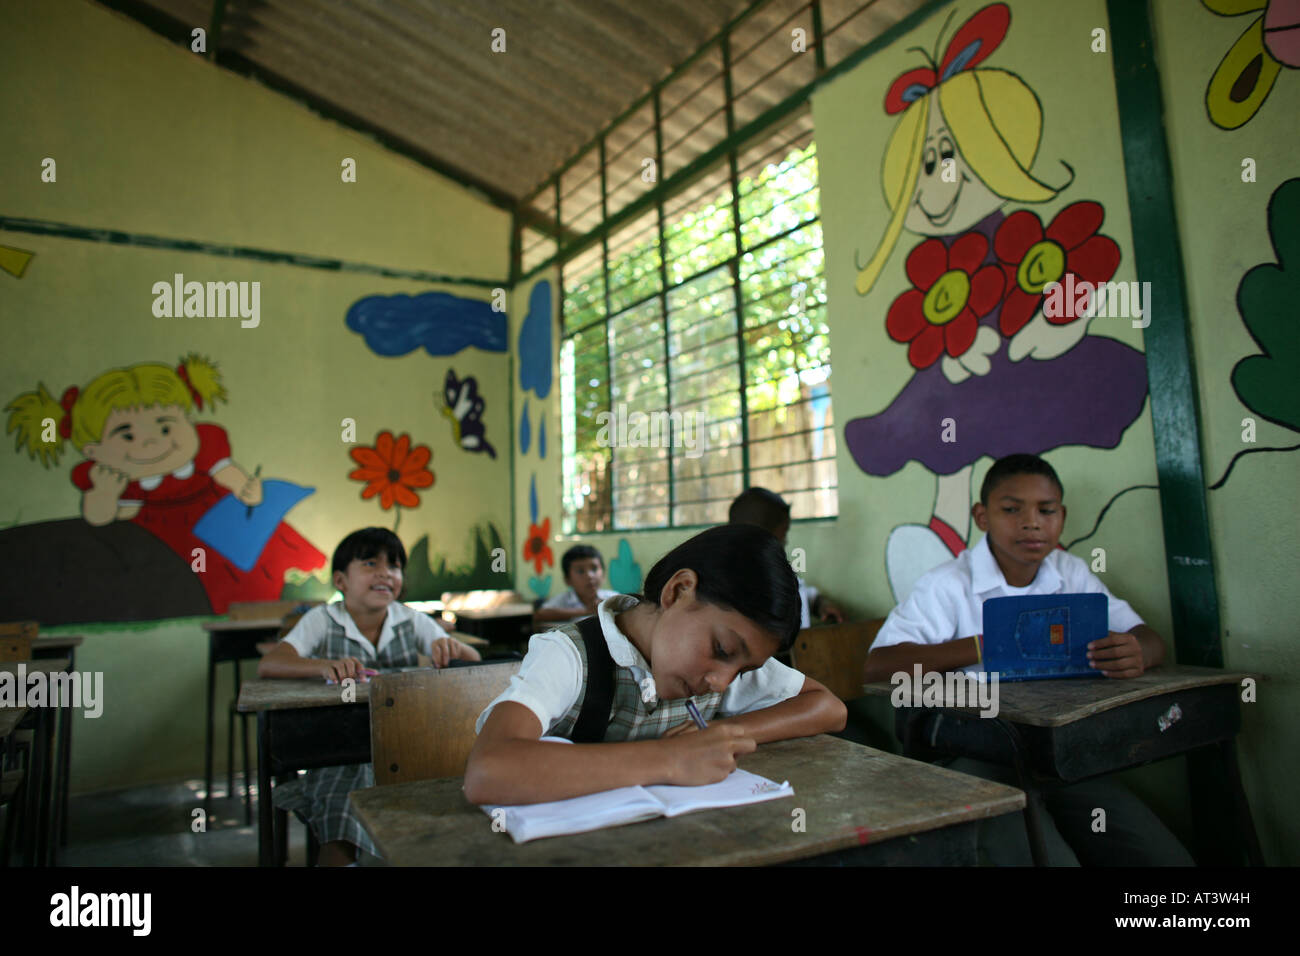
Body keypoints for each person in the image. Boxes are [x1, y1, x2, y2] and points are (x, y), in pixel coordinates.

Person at [865, 454, 1193, 865]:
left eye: (1046, 510)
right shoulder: (948, 584)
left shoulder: (1069, 574)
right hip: (974, 753)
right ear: (982, 517)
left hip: (1058, 753)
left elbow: (1148, 638)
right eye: (1011, 509)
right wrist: (987, 645)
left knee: (1158, 856)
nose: (1031, 522)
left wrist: (1138, 653)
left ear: (1062, 516)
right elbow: (877, 668)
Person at [465, 524, 847, 806]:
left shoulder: (725, 665)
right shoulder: (570, 654)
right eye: (722, 649)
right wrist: (669, 760)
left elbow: (828, 707)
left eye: (743, 672)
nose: (721, 683)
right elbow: (489, 770)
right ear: (678, 591)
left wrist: (725, 733)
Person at [5, 355, 326, 613]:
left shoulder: (208, 449)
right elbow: (101, 519)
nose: (151, 443)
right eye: (127, 435)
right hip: (170, 532)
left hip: (219, 515)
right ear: (94, 451)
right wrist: (104, 494)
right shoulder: (114, 480)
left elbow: (232, 478)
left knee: (267, 545)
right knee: (207, 569)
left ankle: (290, 588)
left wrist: (249, 491)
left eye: (165, 427)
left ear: (189, 423)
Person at [259, 527, 480, 865]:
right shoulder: (323, 620)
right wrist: (322, 666)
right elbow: (271, 663)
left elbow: (474, 662)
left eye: (393, 566)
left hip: (404, 745)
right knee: (345, 802)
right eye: (369, 563)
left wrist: (452, 648)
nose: (384, 573)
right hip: (337, 752)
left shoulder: (410, 619)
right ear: (340, 581)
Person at [728, 487, 844, 628]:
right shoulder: (733, 583)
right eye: (783, 534)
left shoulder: (774, 569)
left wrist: (820, 604)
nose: (785, 542)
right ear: (763, 536)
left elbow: (799, 594)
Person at [534, 544, 619, 624]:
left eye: (594, 569)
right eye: (580, 571)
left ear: (603, 574)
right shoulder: (564, 600)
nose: (589, 576)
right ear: (567, 580)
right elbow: (540, 615)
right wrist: (586, 611)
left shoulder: (613, 598)